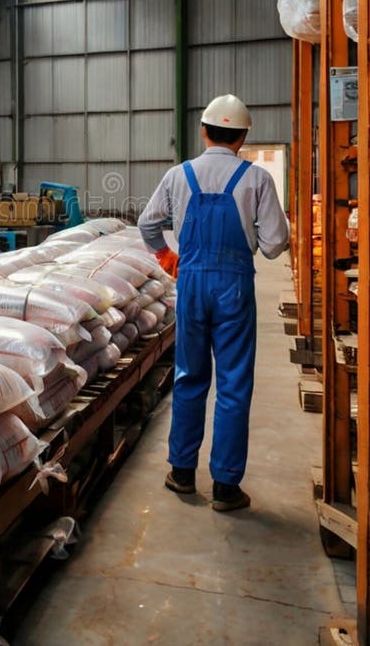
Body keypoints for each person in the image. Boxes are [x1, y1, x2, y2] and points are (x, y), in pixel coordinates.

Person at [137, 94, 289, 512]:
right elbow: (276, 245)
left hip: (192, 283)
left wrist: (167, 256)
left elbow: (147, 223)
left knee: (189, 377)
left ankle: (182, 473)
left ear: (203, 131)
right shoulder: (257, 180)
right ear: (242, 138)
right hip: (234, 287)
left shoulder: (178, 175)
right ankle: (225, 487)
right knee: (234, 386)